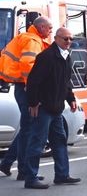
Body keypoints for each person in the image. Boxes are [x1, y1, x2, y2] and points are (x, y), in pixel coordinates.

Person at [22, 26, 81, 189]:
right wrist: (33, 103)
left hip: (56, 108)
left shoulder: (66, 56)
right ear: (56, 38)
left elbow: (66, 81)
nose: (69, 42)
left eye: (71, 39)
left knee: (59, 141)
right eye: (65, 39)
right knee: (38, 142)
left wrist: (71, 99)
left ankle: (62, 175)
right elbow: (33, 81)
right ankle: (30, 177)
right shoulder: (46, 57)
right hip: (43, 107)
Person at [0, 16, 53, 180]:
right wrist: (33, 91)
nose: (51, 31)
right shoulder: (33, 41)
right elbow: (28, 67)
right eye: (49, 28)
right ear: (42, 27)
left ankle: (9, 164)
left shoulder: (27, 37)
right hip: (25, 88)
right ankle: (23, 170)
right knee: (29, 130)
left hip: (21, 87)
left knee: (27, 129)